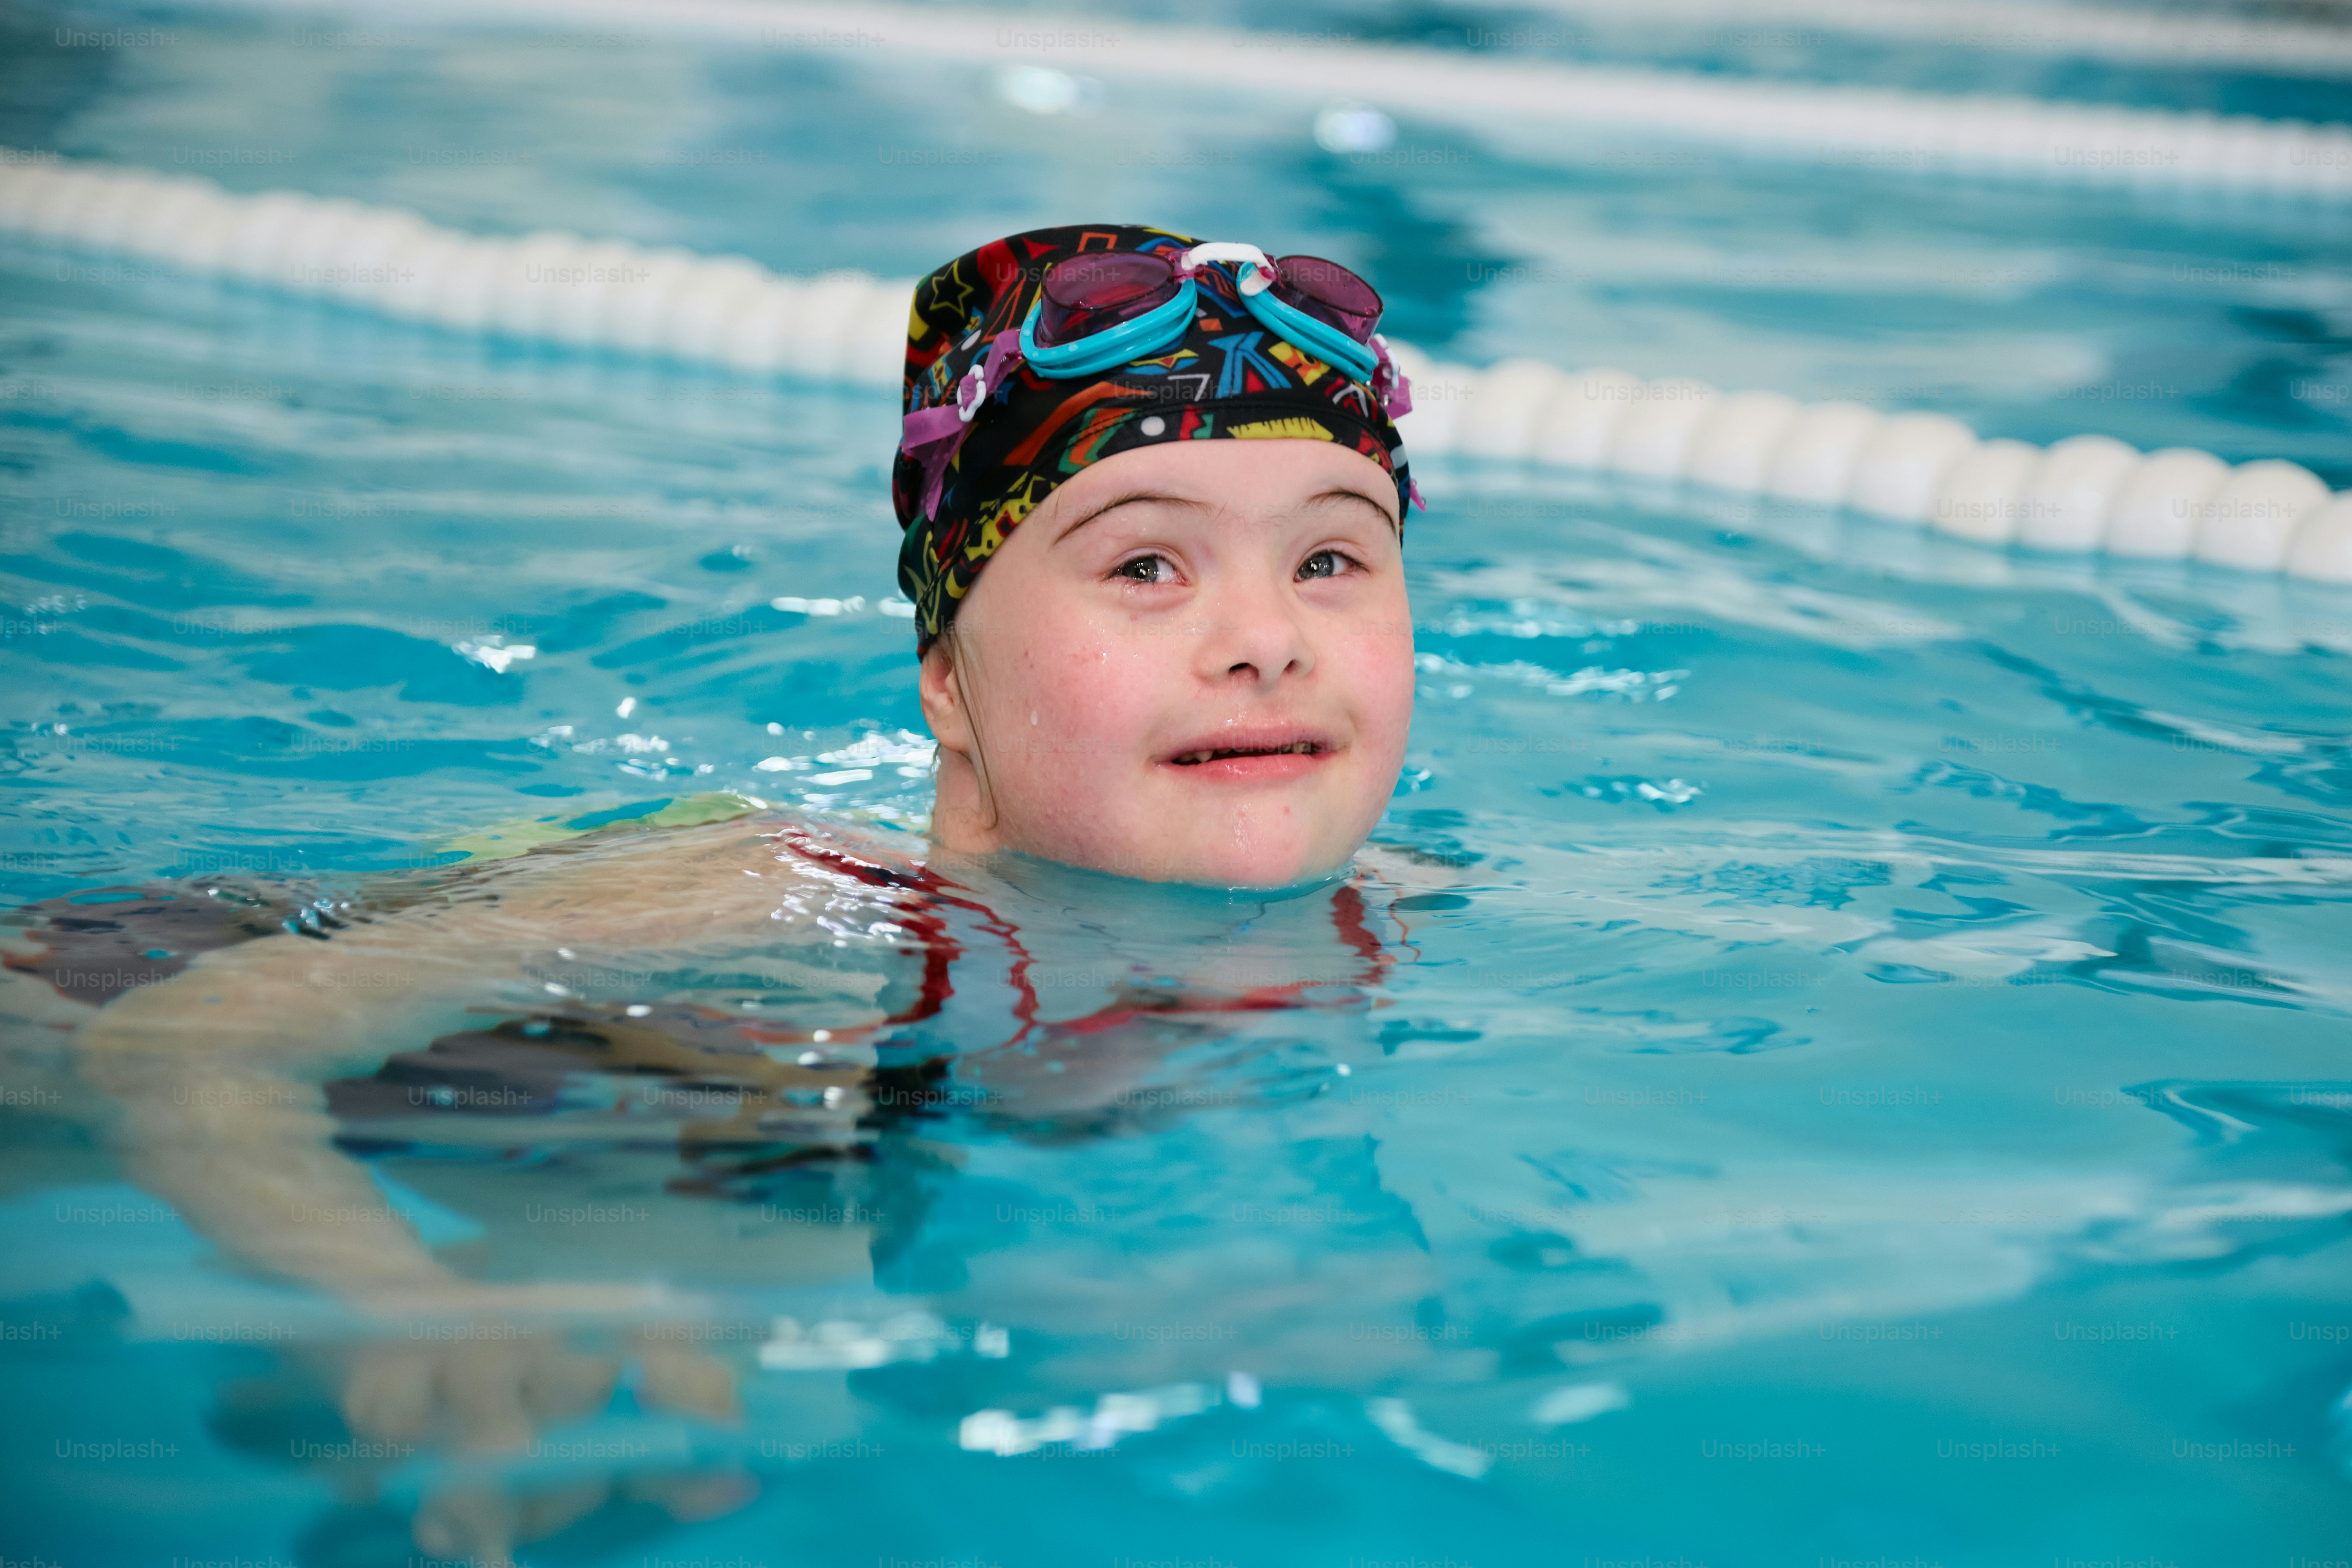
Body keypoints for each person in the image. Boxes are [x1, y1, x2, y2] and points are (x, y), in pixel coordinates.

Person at [8, 224, 1439, 1564]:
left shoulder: (1397, 909)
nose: (1266, 641)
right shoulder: (787, 887)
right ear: (949, 685)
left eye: (1331, 559)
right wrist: (395, 1300)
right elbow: (190, 1042)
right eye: (1144, 564)